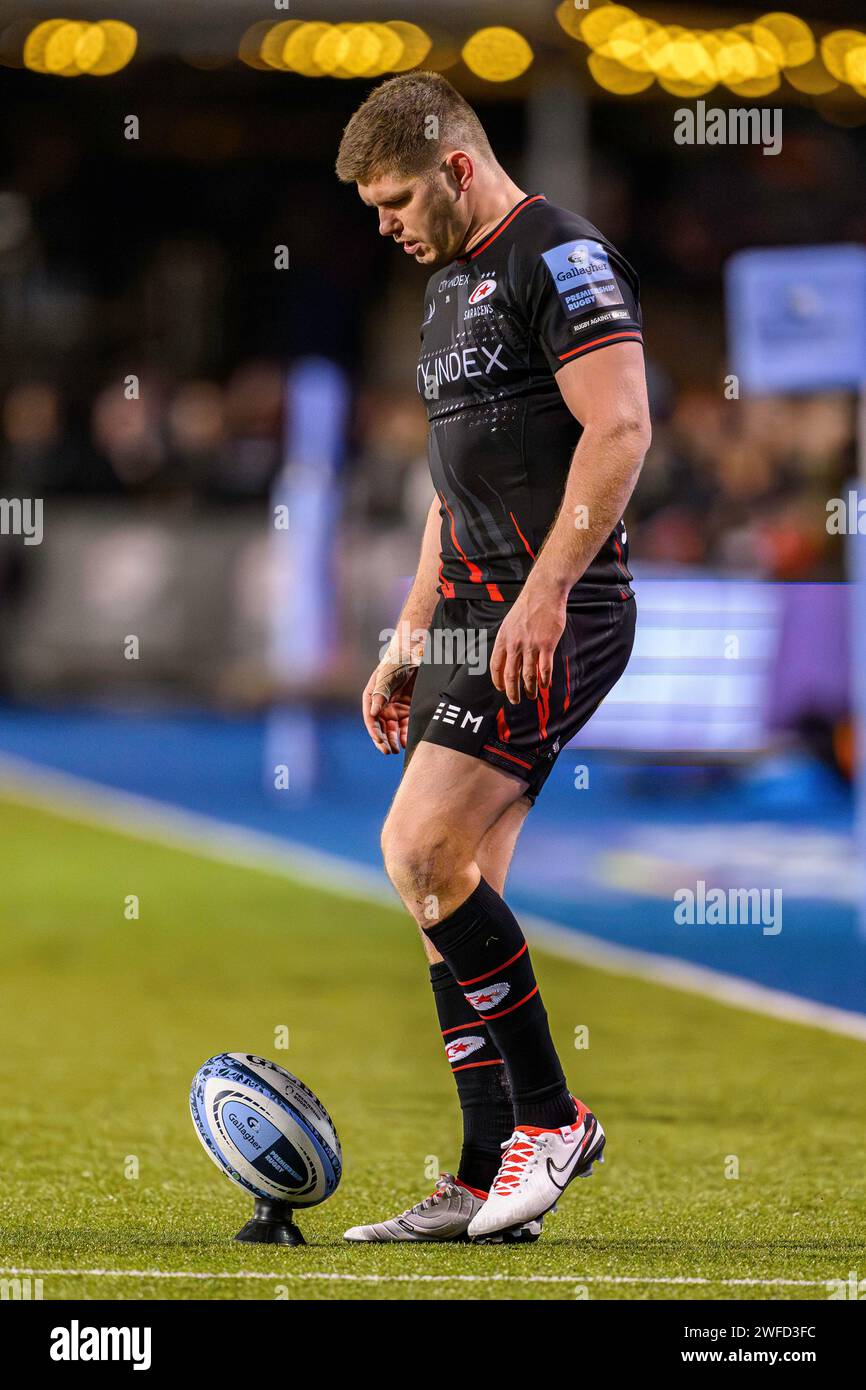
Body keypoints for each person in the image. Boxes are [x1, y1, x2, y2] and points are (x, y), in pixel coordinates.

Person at [335, 71, 650, 1242]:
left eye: (400, 199)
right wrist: (408, 641)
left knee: (416, 845)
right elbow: (448, 493)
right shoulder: (445, 289)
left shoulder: (554, 254)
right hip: (474, 610)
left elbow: (620, 426)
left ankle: (553, 1118)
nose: (388, 225)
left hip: (557, 609)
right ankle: (479, 1177)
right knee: (444, 890)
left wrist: (546, 592)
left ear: (458, 169)